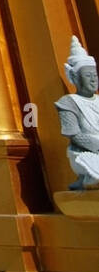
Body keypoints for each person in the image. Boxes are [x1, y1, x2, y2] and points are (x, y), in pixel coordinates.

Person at [55, 36, 99, 190]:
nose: (93, 80)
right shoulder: (68, 102)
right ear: (75, 77)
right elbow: (73, 134)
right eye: (88, 76)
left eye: (95, 75)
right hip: (84, 152)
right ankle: (87, 179)